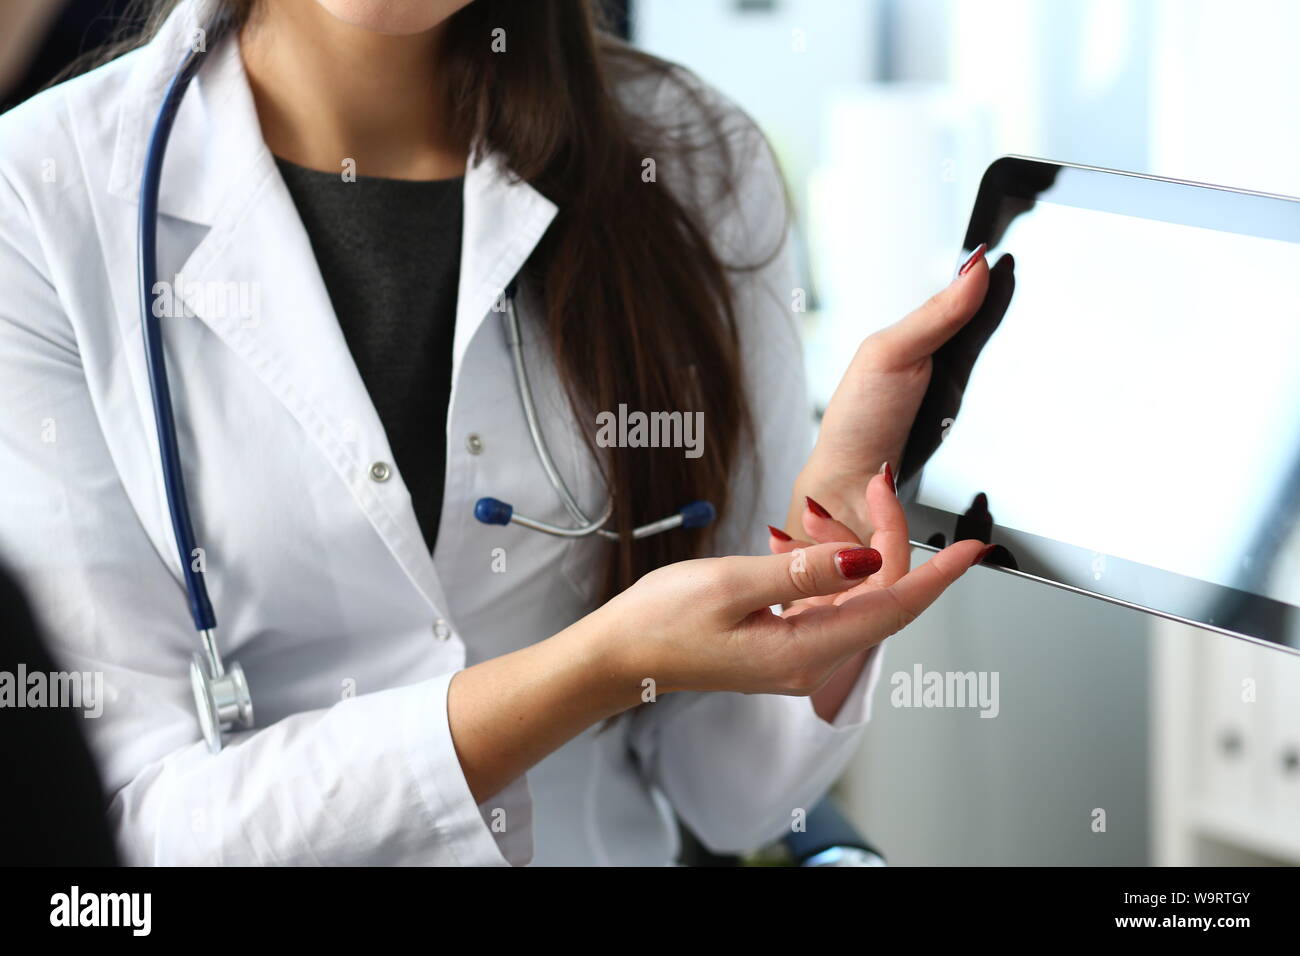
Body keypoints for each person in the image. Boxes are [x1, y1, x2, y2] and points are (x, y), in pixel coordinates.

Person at [0, 0, 991, 865]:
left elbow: (729, 795)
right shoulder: (41, 198)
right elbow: (133, 832)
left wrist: (833, 507)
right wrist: (586, 669)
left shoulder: (691, 158)